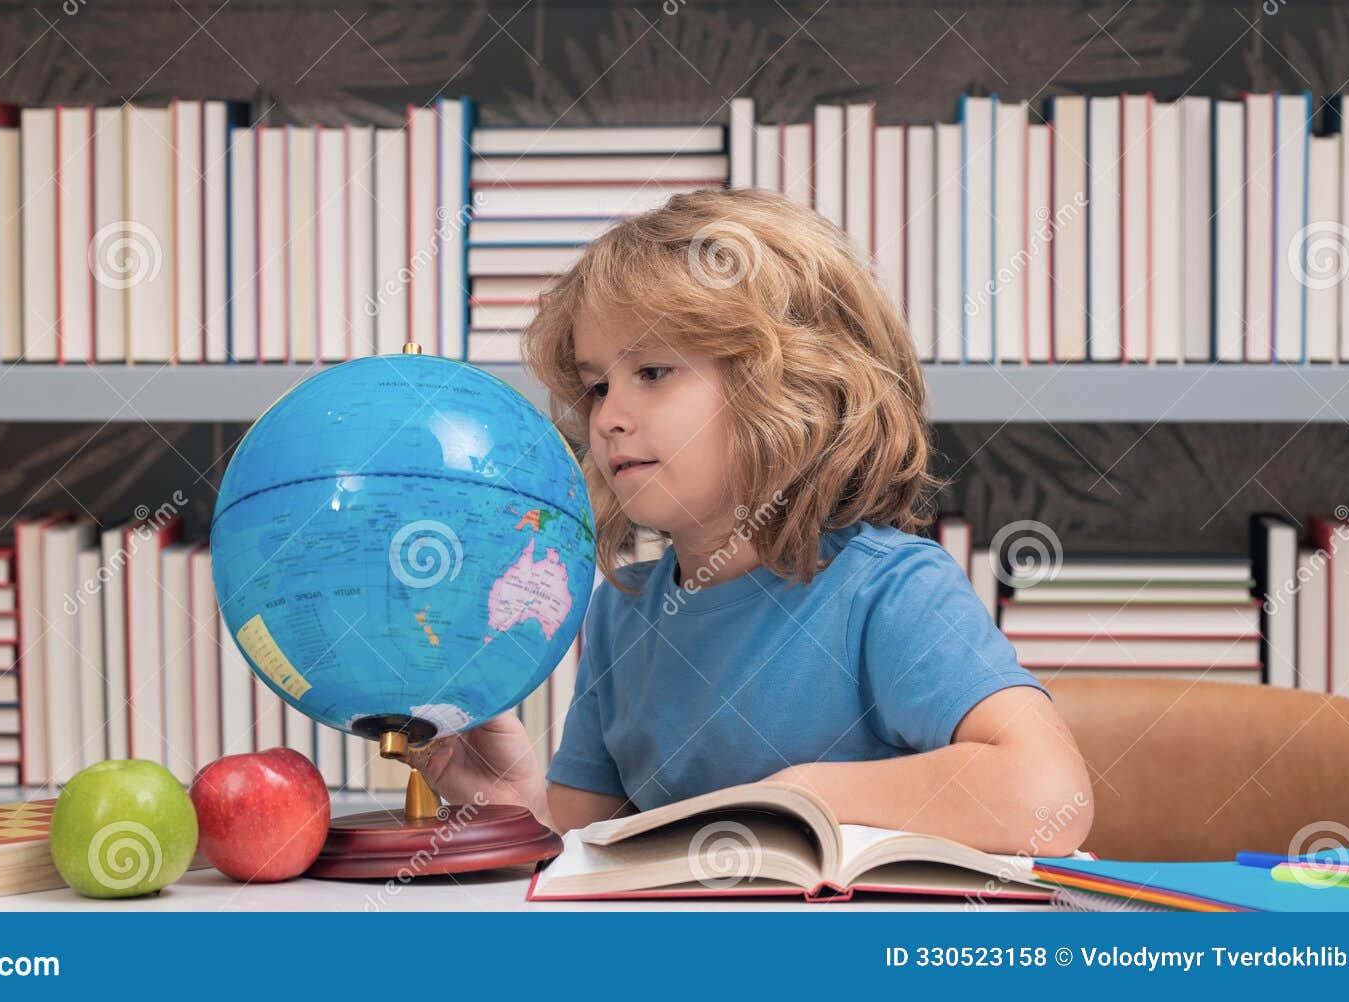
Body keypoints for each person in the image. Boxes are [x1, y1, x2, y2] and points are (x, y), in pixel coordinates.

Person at [402, 187, 1093, 856]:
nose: (608, 416)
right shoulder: (623, 612)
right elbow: (587, 845)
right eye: (597, 383)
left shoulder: (889, 590)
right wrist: (518, 801)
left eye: (652, 371)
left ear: (791, 389)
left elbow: (1048, 795)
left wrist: (797, 796)